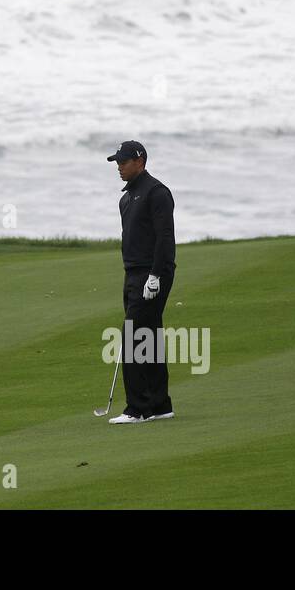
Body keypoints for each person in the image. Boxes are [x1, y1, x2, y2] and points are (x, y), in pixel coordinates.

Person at [106, 140, 176, 424]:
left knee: (133, 336)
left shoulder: (157, 192)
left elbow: (165, 238)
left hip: (152, 274)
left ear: (140, 161)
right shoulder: (126, 198)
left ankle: (137, 409)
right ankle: (160, 405)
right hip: (133, 273)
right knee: (150, 337)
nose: (119, 167)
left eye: (124, 162)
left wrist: (156, 276)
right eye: (117, 163)